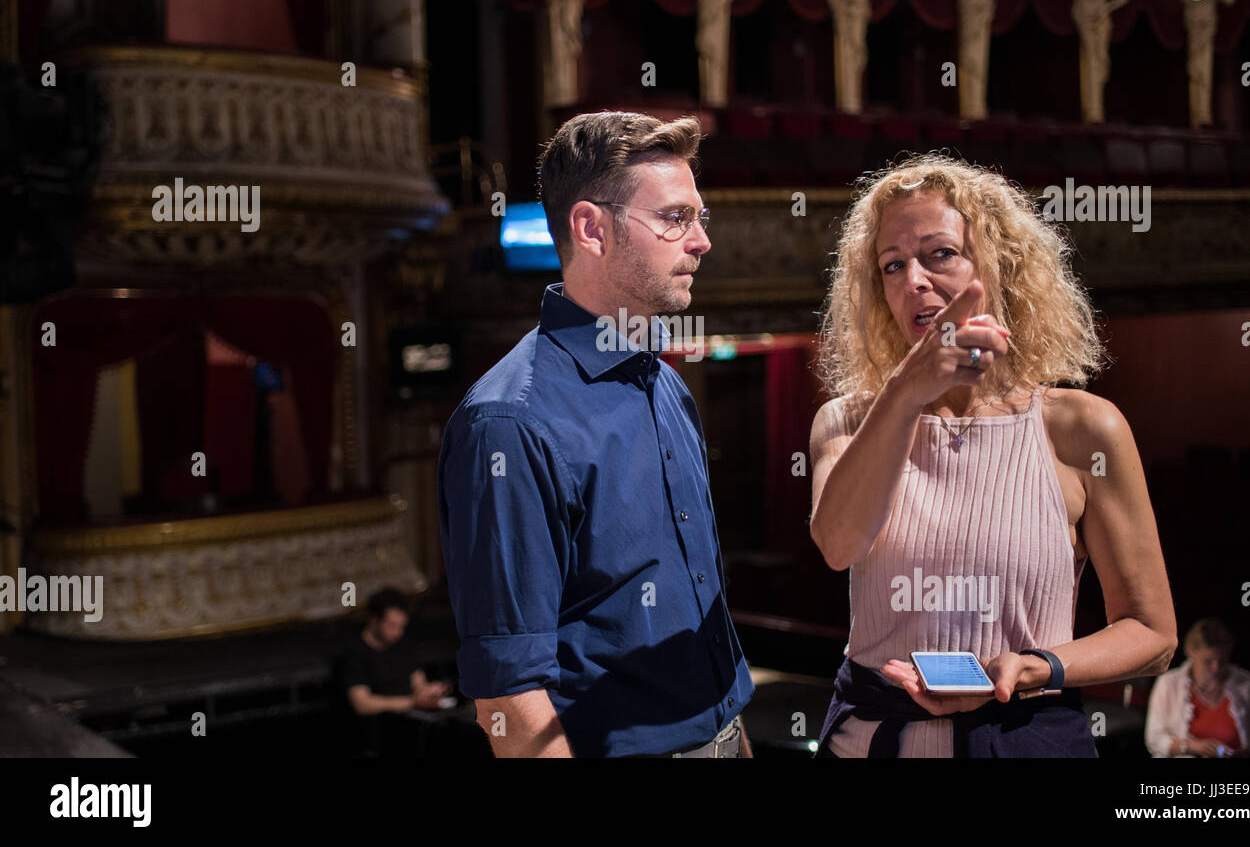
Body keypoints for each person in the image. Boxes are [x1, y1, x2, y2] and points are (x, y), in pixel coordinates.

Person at [809, 153, 1178, 757]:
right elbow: (837, 544)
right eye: (892, 266)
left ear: (999, 265)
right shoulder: (847, 420)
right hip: (873, 737)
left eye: (940, 254)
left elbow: (1152, 633)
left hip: (1025, 736)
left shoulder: (1084, 427)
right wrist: (905, 390)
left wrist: (1034, 669)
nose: (914, 281)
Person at [438, 112, 754, 758]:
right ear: (591, 228)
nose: (701, 243)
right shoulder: (508, 422)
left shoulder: (665, 384)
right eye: (674, 218)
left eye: (701, 218)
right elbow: (508, 699)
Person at [339, 587, 451, 756]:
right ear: (374, 620)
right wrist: (411, 702)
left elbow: (418, 682)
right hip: (376, 732)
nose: (397, 632)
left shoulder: (402, 645)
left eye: (401, 627)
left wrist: (430, 692)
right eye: (391, 626)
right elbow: (362, 704)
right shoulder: (355, 653)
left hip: (409, 725)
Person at [1145, 617, 1250, 757]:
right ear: (1191, 653)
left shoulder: (1247, 683)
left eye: (1222, 660)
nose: (1216, 668)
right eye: (1208, 661)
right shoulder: (1169, 683)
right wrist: (1191, 746)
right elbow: (1154, 739)